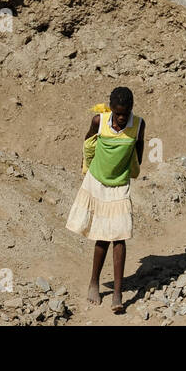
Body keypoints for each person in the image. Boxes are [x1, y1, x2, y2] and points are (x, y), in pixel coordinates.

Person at [66, 86, 145, 314]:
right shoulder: (98, 121)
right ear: (111, 108)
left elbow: (139, 145)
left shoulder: (138, 124)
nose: (122, 117)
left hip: (119, 184)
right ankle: (94, 282)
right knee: (101, 236)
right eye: (118, 113)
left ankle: (118, 293)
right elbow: (88, 144)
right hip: (98, 182)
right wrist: (87, 169)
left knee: (120, 236)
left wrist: (134, 167)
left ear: (131, 109)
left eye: (126, 112)